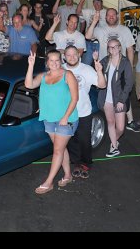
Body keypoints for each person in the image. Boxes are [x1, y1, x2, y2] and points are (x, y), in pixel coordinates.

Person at [24, 49, 78, 195]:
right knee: (60, 148)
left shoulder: (68, 75)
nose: (54, 63)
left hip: (66, 120)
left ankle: (48, 183)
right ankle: (68, 175)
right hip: (49, 118)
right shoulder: (43, 76)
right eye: (51, 60)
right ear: (47, 62)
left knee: (57, 150)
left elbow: (75, 98)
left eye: (57, 60)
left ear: (61, 61)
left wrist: (65, 117)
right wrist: (31, 65)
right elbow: (29, 84)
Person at [62, 46, 99, 179]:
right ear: (64, 56)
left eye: (74, 54)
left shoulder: (87, 69)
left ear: (79, 54)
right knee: (71, 139)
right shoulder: (60, 69)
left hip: (83, 111)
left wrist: (99, 71)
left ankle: (86, 163)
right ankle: (76, 163)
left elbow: (101, 84)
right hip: (67, 113)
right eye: (68, 55)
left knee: (84, 140)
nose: (72, 57)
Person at [94, 38, 133, 158]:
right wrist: (95, 60)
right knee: (111, 123)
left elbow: (129, 83)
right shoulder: (105, 60)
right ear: (108, 49)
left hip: (119, 98)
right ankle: (114, 147)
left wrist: (122, 100)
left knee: (120, 127)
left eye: (116, 46)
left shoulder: (125, 62)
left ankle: (113, 141)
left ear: (120, 47)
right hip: (106, 98)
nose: (113, 49)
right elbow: (97, 72)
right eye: (111, 47)